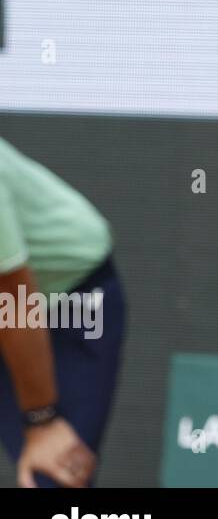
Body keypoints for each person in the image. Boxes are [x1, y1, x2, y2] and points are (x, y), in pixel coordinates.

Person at [0, 136, 127, 487]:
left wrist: (42, 422)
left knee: (52, 472)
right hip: (14, 304)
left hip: (67, 298)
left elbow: (13, 300)